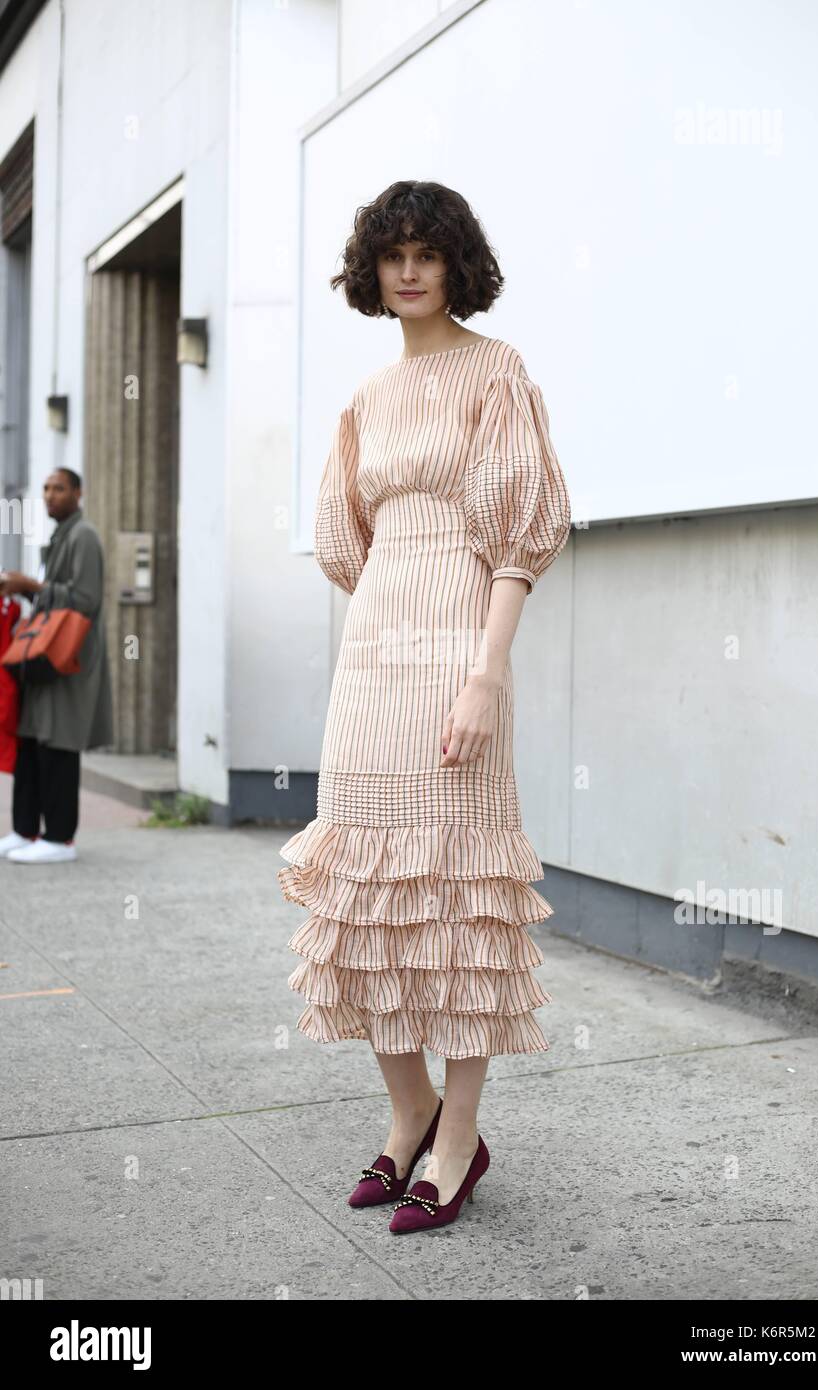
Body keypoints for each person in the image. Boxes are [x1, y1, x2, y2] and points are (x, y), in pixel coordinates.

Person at [277, 181, 572, 1234]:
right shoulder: (363, 398)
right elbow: (345, 542)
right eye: (391, 254)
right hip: (373, 656)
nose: (408, 270)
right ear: (372, 268)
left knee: (455, 900)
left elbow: (519, 537)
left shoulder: (495, 373)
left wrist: (484, 671)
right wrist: (394, 623)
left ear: (456, 264)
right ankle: (407, 1112)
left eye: (426, 253)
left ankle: (457, 1143)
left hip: (459, 641)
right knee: (361, 896)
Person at [0, 468, 113, 863]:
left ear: (78, 493)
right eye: (47, 488)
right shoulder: (61, 535)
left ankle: (60, 839)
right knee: (31, 740)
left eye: (59, 488)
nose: (50, 495)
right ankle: (25, 829)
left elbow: (85, 600)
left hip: (70, 660)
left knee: (59, 745)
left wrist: (30, 585)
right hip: (45, 660)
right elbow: (54, 600)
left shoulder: (84, 537)